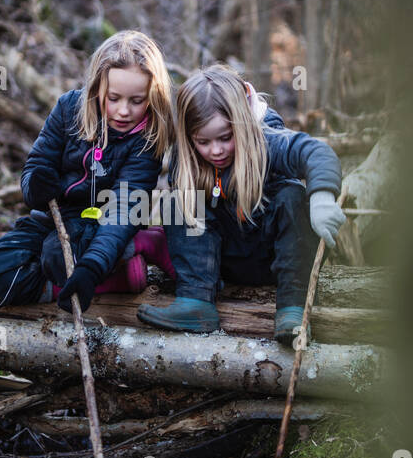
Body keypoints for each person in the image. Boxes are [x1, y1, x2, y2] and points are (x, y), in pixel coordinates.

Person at [136, 63, 345, 342]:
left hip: (275, 256)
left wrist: (322, 197)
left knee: (292, 195)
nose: (216, 150)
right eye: (204, 142)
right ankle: (196, 302)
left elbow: (316, 152)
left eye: (225, 137)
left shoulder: (266, 140)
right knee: (177, 202)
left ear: (242, 122)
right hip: (223, 260)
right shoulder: (186, 159)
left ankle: (293, 310)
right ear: (189, 138)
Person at [0, 32, 174, 314]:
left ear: (152, 97)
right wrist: (36, 186)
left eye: (136, 101)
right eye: (113, 98)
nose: (124, 111)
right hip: (52, 221)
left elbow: (124, 209)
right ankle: (114, 278)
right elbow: (34, 167)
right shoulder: (68, 109)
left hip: (107, 226)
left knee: (57, 256)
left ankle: (142, 243)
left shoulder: (146, 140)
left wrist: (91, 267)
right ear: (97, 87)